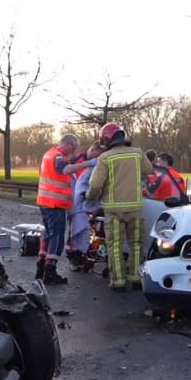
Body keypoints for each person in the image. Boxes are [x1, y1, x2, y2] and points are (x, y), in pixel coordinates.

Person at [86, 122, 153, 291]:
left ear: (106, 140)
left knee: (114, 246)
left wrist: (89, 197)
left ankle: (118, 282)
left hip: (113, 210)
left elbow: (95, 185)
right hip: (135, 208)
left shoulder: (105, 158)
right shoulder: (137, 154)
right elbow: (149, 171)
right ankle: (136, 277)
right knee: (136, 244)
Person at [35, 134, 80, 285]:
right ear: (68, 144)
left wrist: (82, 157)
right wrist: (87, 163)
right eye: (73, 148)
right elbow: (64, 169)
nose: (73, 152)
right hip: (56, 203)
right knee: (57, 237)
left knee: (48, 234)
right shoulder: (59, 157)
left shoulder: (49, 154)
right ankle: (50, 271)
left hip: (44, 201)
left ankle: (40, 268)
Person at [67, 143, 104, 270]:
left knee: (90, 228)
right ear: (93, 151)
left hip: (87, 201)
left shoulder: (91, 163)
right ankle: (75, 257)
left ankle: (87, 254)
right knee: (75, 229)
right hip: (75, 200)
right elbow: (81, 182)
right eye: (98, 156)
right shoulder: (77, 161)